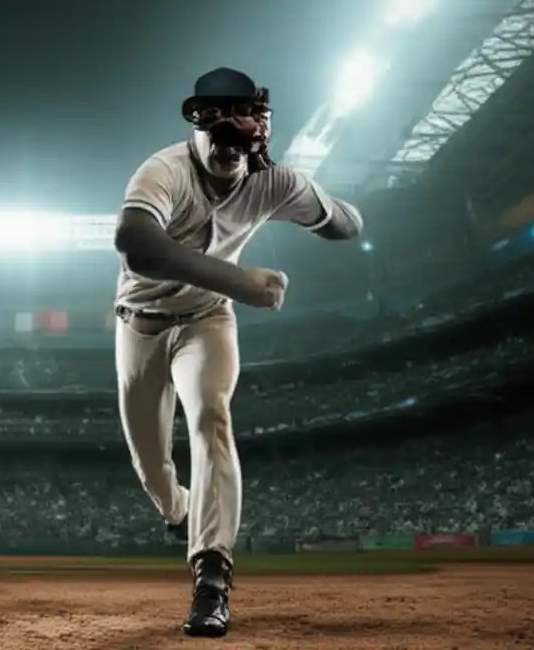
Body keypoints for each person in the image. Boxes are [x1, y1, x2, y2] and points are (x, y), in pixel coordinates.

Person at [111, 67, 364, 638]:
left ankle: (212, 575)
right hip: (141, 328)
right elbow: (135, 243)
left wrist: (318, 205)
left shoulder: (271, 181)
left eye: (238, 139)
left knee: (210, 415)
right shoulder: (166, 169)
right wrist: (242, 281)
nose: (226, 151)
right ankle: (180, 514)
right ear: (195, 127)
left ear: (260, 133)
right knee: (152, 469)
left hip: (206, 322)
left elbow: (348, 225)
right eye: (215, 136)